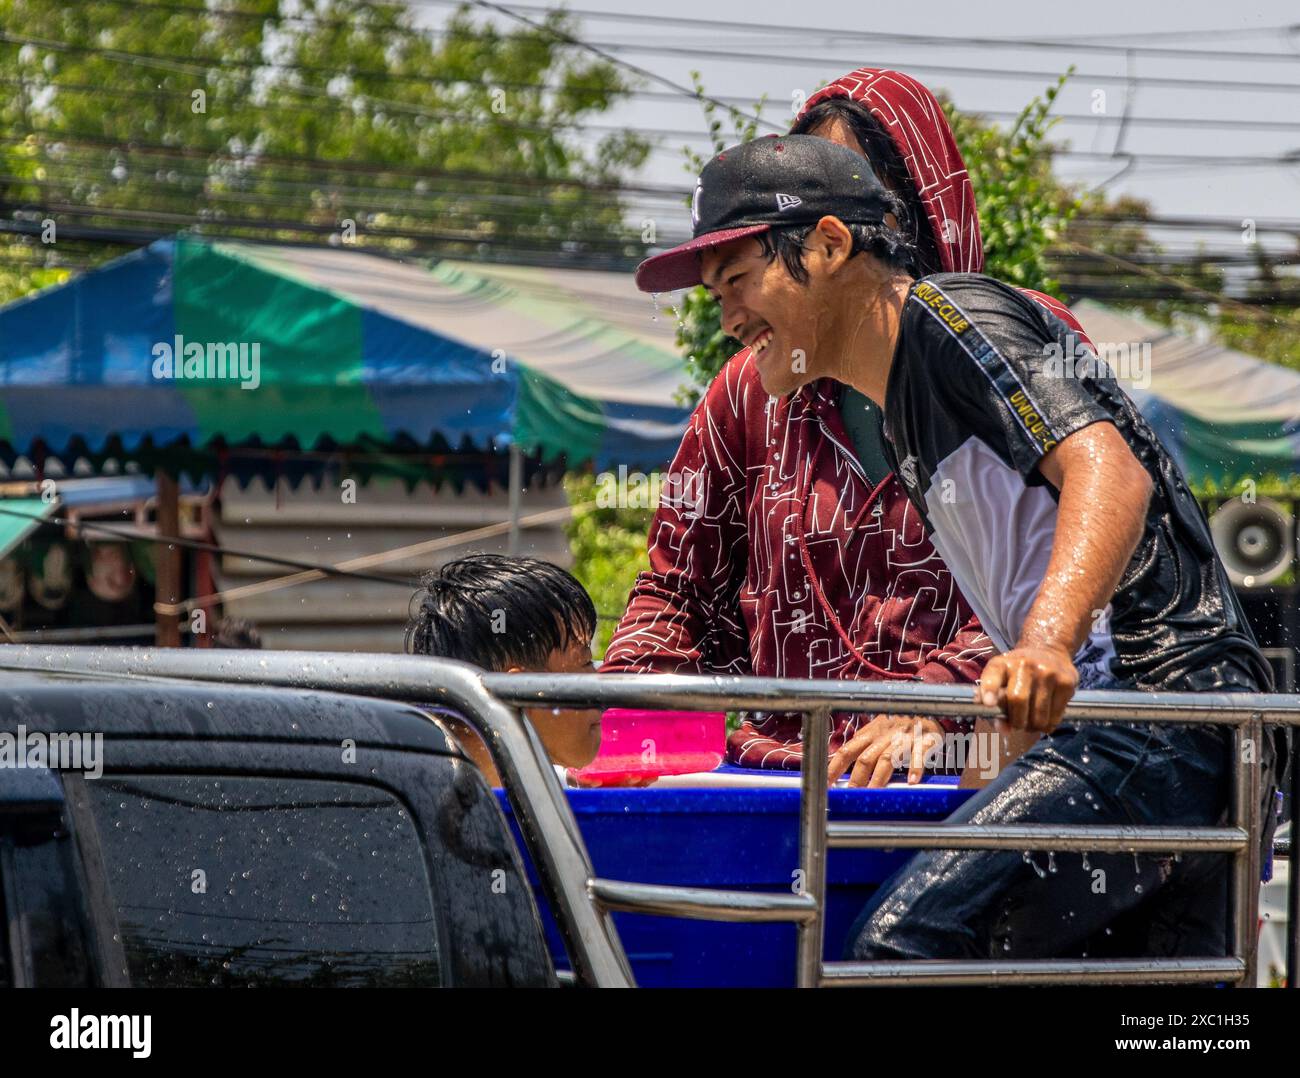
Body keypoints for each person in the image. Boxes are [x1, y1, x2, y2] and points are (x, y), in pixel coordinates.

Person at [632, 133, 1283, 960]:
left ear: (830, 244)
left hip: (1166, 718)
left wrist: (1046, 643)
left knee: (900, 954)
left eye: (737, 281)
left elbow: (1111, 472)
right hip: (1163, 739)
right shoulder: (900, 408)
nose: (725, 320)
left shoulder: (954, 319)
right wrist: (969, 734)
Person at [603, 68, 1096, 786]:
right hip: (782, 781)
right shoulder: (751, 387)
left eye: (864, 194)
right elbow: (680, 589)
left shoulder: (1002, 345)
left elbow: (1070, 547)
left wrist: (937, 700)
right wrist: (624, 725)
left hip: (972, 776)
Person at [404, 554, 601, 785]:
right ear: (522, 695)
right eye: (586, 662)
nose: (598, 682)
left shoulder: (419, 792)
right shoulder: (549, 811)